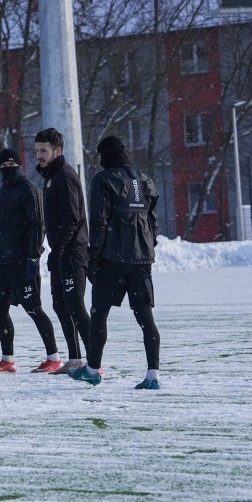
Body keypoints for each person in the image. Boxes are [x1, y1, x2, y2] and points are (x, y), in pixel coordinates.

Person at [72, 135, 161, 388]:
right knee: (146, 318)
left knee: (99, 314)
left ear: (105, 156)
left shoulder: (103, 179)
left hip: (113, 257)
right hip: (142, 259)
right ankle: (153, 376)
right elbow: (153, 220)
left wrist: (94, 258)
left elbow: (99, 223)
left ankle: (92, 369)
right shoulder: (144, 179)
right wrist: (148, 245)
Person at [0, 148, 62, 375]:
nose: (8, 168)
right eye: (4, 165)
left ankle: (53, 358)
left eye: (12, 164)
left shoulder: (29, 190)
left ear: (20, 166)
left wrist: (34, 255)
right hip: (1, 263)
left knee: (33, 308)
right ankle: (7, 360)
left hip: (21, 262)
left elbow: (38, 225)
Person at [35, 127, 92, 374]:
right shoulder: (50, 178)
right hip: (60, 252)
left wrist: (59, 249)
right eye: (37, 150)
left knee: (75, 306)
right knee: (60, 305)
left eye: (43, 150)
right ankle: (75, 359)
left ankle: (95, 362)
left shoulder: (65, 176)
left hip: (73, 251)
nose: (39, 155)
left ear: (58, 151)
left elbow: (73, 217)